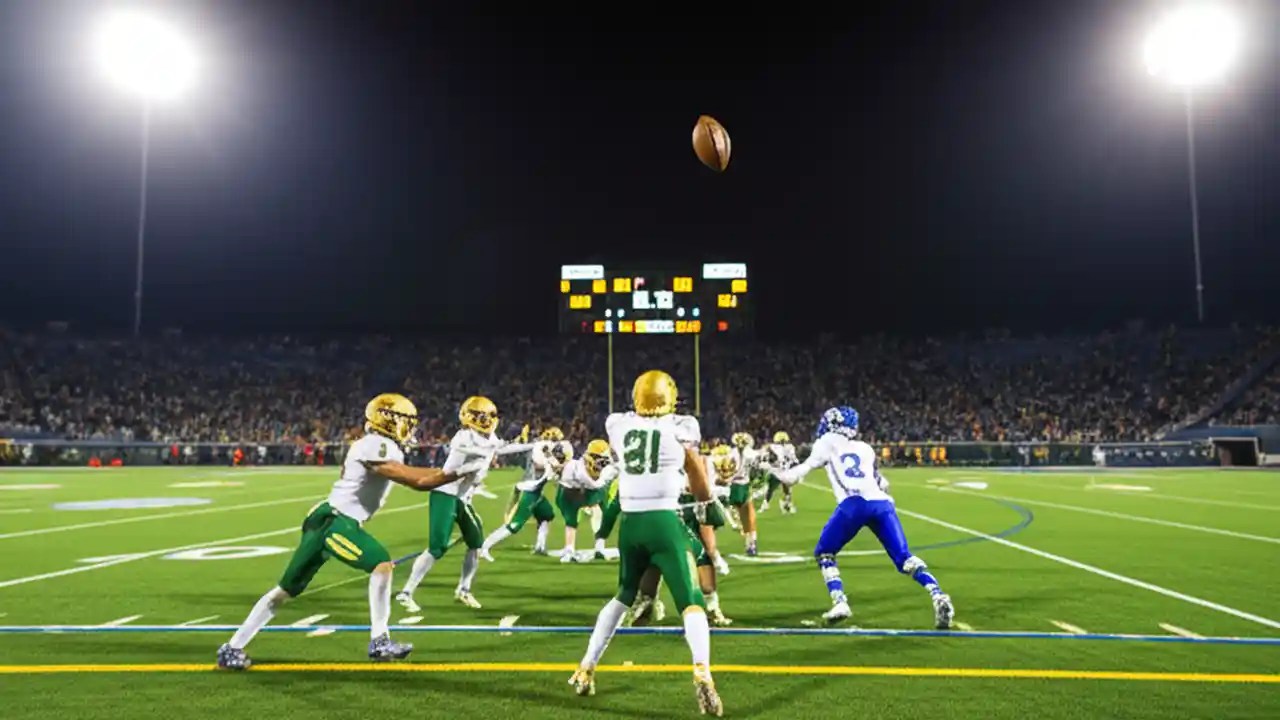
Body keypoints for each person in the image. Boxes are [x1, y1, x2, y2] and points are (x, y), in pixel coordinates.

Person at [216, 394, 483, 670]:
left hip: (330, 520)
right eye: (406, 421)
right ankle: (379, 640)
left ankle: (231, 648)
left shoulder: (378, 444)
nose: (410, 427)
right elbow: (417, 481)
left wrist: (452, 471)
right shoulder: (376, 444)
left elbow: (421, 475)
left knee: (284, 591)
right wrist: (457, 472)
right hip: (335, 521)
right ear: (389, 420)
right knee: (380, 563)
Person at [568, 370, 722, 716]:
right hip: (663, 520)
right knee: (691, 601)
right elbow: (694, 467)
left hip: (630, 524)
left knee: (623, 595)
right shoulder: (681, 427)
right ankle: (702, 672)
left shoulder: (618, 425)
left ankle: (586, 667)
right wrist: (707, 502)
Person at [777, 406, 954, 629]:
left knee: (825, 553)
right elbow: (883, 483)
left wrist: (774, 473)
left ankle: (840, 601)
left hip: (853, 504)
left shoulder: (827, 441)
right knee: (904, 558)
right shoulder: (865, 448)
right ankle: (937, 593)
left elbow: (795, 475)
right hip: (882, 504)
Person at [396, 396, 531, 612]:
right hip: (445, 493)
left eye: (489, 416)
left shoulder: (489, 438)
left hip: (462, 497)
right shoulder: (463, 436)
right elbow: (485, 451)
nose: (486, 421)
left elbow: (499, 448)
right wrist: (500, 446)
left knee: (475, 542)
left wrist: (534, 445)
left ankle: (464, 589)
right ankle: (406, 592)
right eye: (481, 416)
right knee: (437, 547)